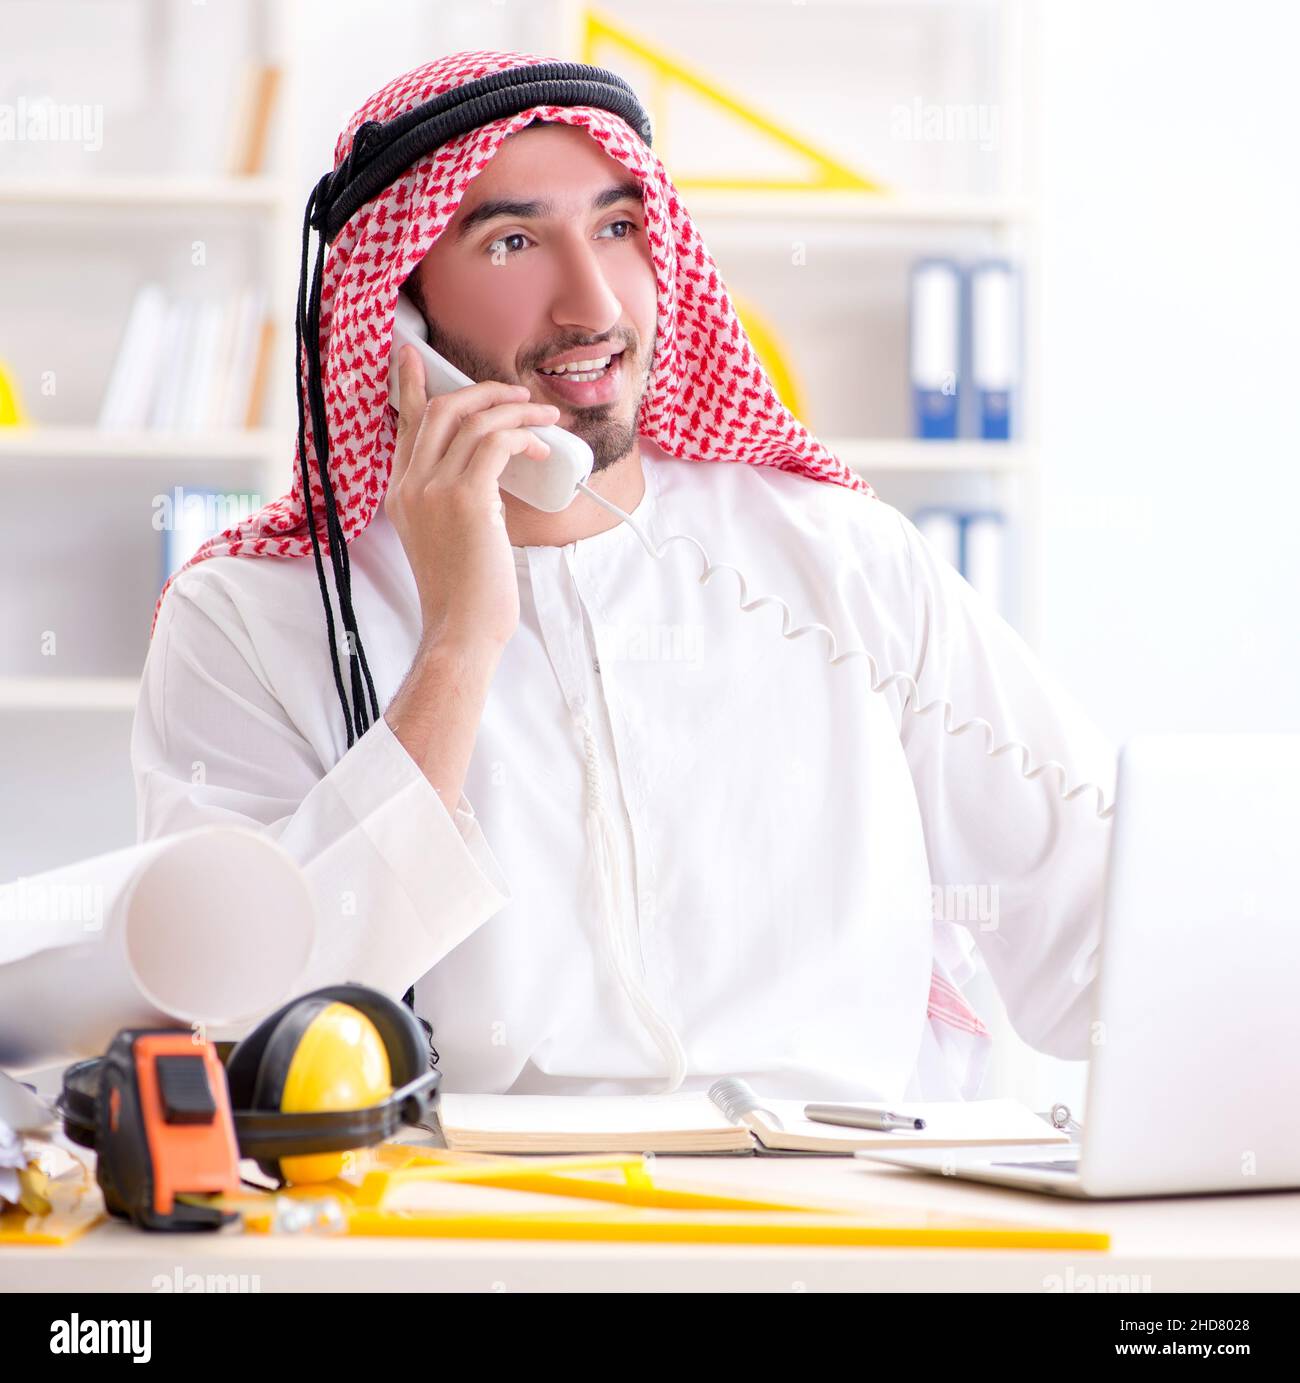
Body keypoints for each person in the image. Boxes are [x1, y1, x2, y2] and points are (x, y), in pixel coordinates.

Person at [132, 52, 1116, 1101]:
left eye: (618, 229)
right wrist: (460, 640)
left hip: (842, 1221)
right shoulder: (247, 615)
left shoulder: (848, 560)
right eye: (513, 241)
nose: (592, 303)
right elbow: (247, 1036)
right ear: (398, 311)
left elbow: (1097, 950)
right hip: (471, 1234)